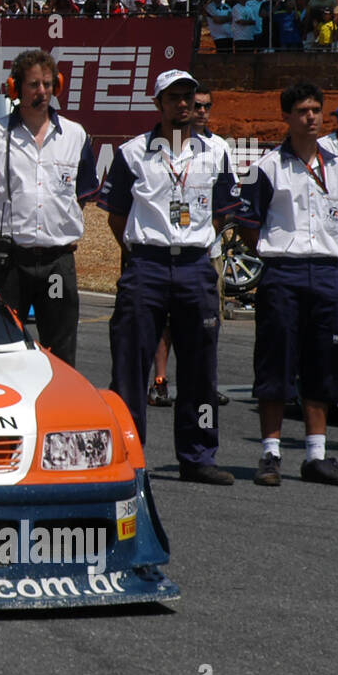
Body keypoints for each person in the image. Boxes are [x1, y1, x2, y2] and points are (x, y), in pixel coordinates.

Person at [99, 71, 240, 485]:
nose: (183, 104)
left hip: (196, 266)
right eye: (174, 97)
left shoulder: (217, 152)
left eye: (189, 97)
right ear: (158, 102)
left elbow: (223, 209)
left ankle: (198, 455)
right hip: (147, 265)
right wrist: (144, 253)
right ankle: (128, 454)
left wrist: (194, 244)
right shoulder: (130, 153)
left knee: (201, 368)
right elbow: (116, 215)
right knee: (130, 364)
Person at [238, 82, 338, 487]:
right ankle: (270, 454)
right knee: (275, 362)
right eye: (303, 110)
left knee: (324, 363)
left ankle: (316, 456)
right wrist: (277, 255)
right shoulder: (267, 166)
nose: (311, 117)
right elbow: (247, 224)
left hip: (327, 274)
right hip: (284, 275)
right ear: (286, 116)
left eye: (316, 110)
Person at [0, 49, 98, 367]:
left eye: (48, 85)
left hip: (57, 262)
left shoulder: (76, 135)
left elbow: (80, 196)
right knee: (1, 347)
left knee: (60, 350)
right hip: (10, 261)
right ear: (15, 88)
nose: (42, 92)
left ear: (58, 87)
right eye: (34, 85)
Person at [149, 88, 233, 407]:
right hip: (166, 252)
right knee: (165, 322)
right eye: (196, 105)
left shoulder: (218, 147)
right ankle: (160, 381)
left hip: (204, 252)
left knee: (208, 322)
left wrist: (204, 235)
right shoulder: (158, 146)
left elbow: (224, 203)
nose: (201, 111)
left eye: (206, 106)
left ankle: (205, 383)